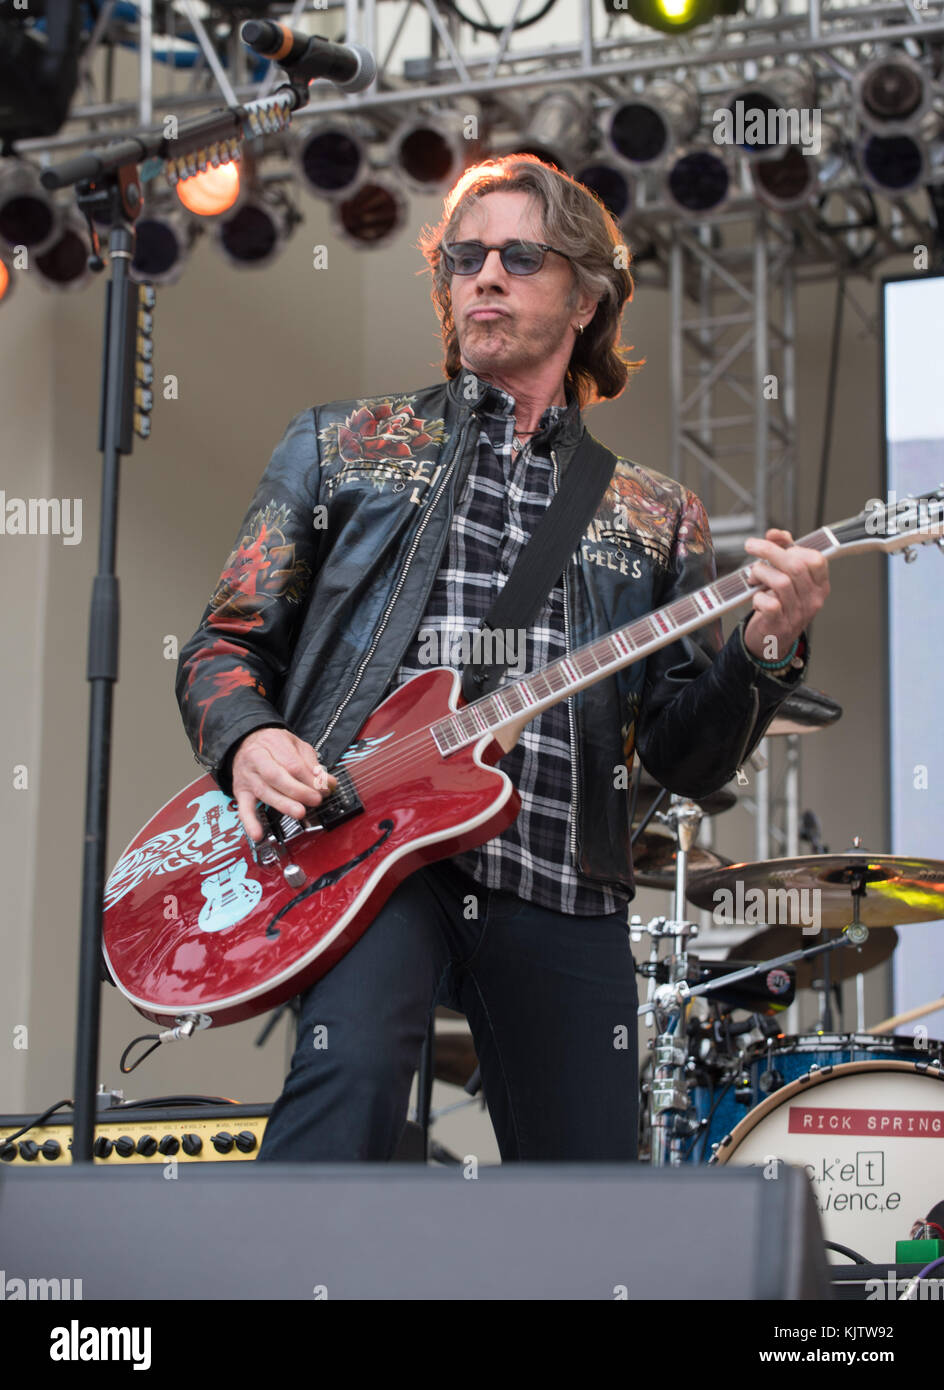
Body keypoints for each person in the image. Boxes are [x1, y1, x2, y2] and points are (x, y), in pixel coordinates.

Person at [176, 154, 830, 1162]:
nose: (483, 275)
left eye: (519, 256)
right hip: (371, 851)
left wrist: (762, 645)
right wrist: (249, 738)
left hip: (561, 876)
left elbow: (683, 758)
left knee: (588, 1192)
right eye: (462, 256)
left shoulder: (653, 514)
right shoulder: (343, 445)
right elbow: (225, 643)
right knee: (344, 1091)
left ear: (586, 295)